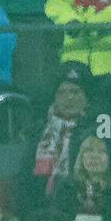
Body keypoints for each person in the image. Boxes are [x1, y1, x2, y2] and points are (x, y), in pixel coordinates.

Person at [26, 64, 95, 203]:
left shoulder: (96, 129)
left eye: (75, 92)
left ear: (86, 97)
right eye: (61, 92)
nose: (69, 98)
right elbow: (26, 175)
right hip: (42, 207)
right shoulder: (38, 131)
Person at [53, 134, 111, 221]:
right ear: (80, 157)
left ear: (110, 158)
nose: (94, 156)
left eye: (101, 152)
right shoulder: (66, 187)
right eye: (88, 151)